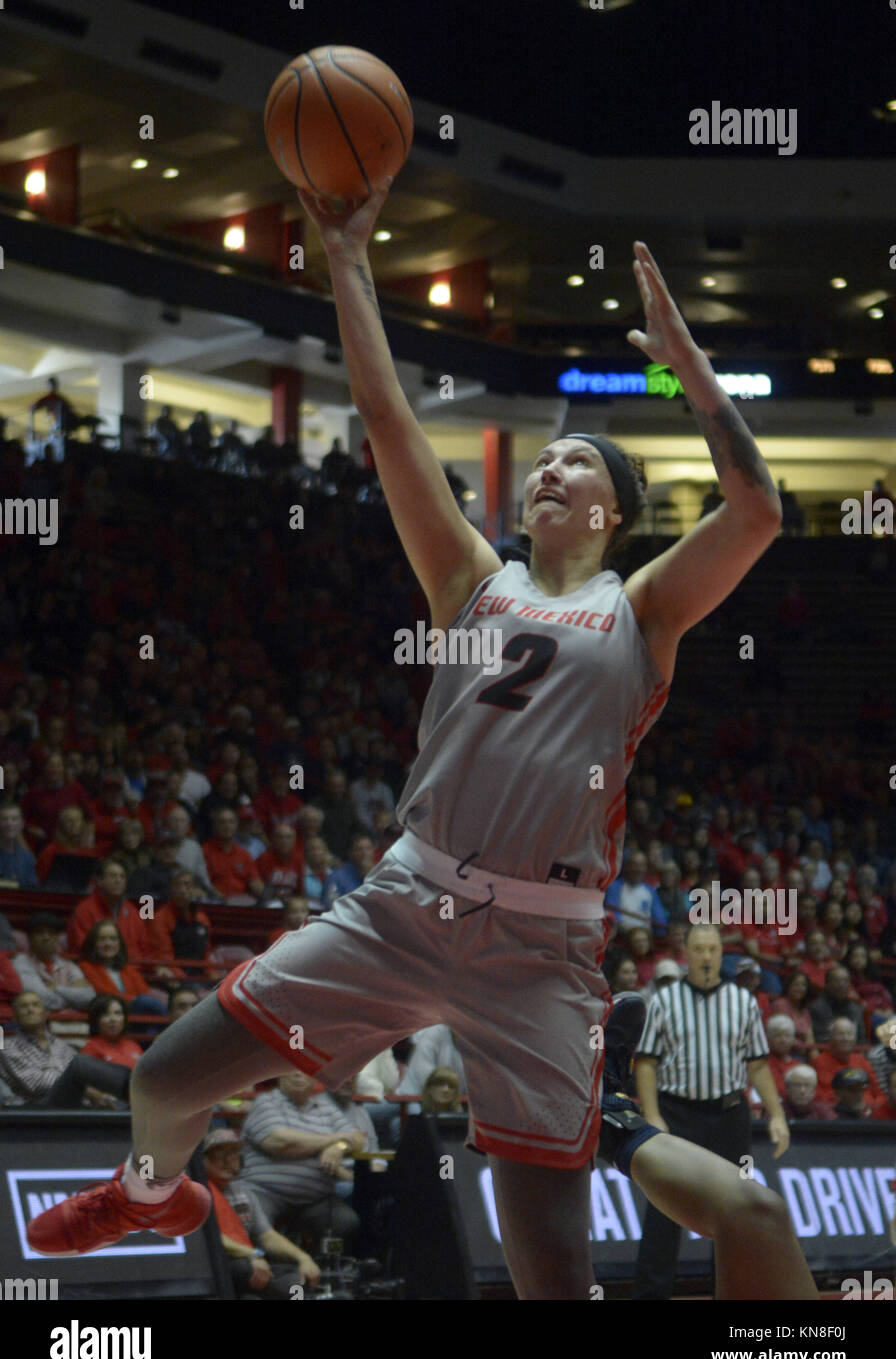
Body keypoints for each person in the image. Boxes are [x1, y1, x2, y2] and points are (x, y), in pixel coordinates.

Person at [27, 205, 785, 1297]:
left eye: (575, 464)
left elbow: (755, 508)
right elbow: (387, 421)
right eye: (542, 460)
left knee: (551, 1277)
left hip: (539, 951)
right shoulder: (470, 579)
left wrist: (689, 374)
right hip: (401, 903)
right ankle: (150, 1193)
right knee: (165, 1074)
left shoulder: (645, 610)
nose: (546, 471)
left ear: (613, 514)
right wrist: (343, 256)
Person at [632, 923, 788, 1300]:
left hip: (730, 1116)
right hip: (676, 1114)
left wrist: (777, 1114)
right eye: (698, 949)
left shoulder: (743, 1002)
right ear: (686, 953)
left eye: (712, 949)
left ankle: (734, 1292)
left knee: (736, 1212)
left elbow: (757, 1065)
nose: (705, 956)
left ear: (722, 954)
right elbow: (647, 1063)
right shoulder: (664, 1002)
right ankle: (652, 1295)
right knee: (664, 1212)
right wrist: (652, 1115)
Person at [238, 1072, 368, 1253]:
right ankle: (276, 1273)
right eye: (291, 1070)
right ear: (280, 1076)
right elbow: (280, 1142)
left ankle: (317, 1273)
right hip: (265, 1191)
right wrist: (337, 1139)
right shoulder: (266, 1102)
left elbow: (358, 1139)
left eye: (304, 1072)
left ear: (315, 1080)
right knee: (250, 1221)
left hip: (314, 1198)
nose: (298, 1075)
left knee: (345, 1221)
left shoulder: (325, 1108)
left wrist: (338, 1147)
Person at [201, 1128, 320, 1299]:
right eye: (219, 1154)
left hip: (252, 1266)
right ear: (204, 1160)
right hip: (219, 1264)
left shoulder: (244, 1192)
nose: (228, 1160)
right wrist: (252, 1254)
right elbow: (210, 1237)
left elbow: (267, 1236)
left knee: (297, 1274)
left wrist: (303, 1257)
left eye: (233, 1153)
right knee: (245, 1269)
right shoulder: (197, 1193)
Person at [0, 992, 131, 1109]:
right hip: (35, 1109)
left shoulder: (61, 1045)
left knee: (83, 1070)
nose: (30, 1010)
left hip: (72, 1103)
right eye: (24, 1006)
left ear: (45, 1013)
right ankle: (135, 1087)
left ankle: (131, 1096)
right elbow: (36, 1084)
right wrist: (87, 1091)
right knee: (79, 1064)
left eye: (35, 1005)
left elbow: (75, 1077)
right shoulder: (7, 1047)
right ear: (14, 1017)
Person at [11, 911, 94, 1011]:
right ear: (30, 938)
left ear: (57, 937)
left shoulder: (69, 965)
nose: (46, 937)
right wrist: (72, 999)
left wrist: (56, 988)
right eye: (39, 932)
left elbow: (89, 996)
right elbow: (42, 999)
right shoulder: (21, 962)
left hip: (72, 1023)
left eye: (51, 932)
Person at [813, 1017, 885, 1107]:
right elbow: (823, 1097)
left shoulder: (861, 1061)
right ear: (830, 1038)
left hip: (870, 1112)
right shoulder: (820, 1062)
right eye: (840, 1034)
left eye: (849, 1034)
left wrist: (874, 1106)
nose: (845, 1038)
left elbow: (879, 1093)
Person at [80, 995, 144, 1070]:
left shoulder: (134, 1046)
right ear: (96, 1020)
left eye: (117, 1013)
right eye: (106, 1014)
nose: (113, 1019)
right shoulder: (90, 1049)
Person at [809, 965, 867, 1044]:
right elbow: (820, 1039)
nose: (841, 985)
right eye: (837, 980)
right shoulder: (817, 1008)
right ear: (827, 983)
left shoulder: (856, 1009)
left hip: (853, 1052)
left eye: (845, 981)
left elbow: (861, 1040)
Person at [322, 833, 375, 907]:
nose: (364, 853)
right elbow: (330, 906)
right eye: (359, 849)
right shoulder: (336, 877)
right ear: (351, 853)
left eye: (368, 849)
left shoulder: (381, 874)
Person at [0, 803, 38, 888]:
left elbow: (33, 889)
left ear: (22, 824)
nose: (9, 823)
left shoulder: (28, 857)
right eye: (4, 819)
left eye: (14, 819)